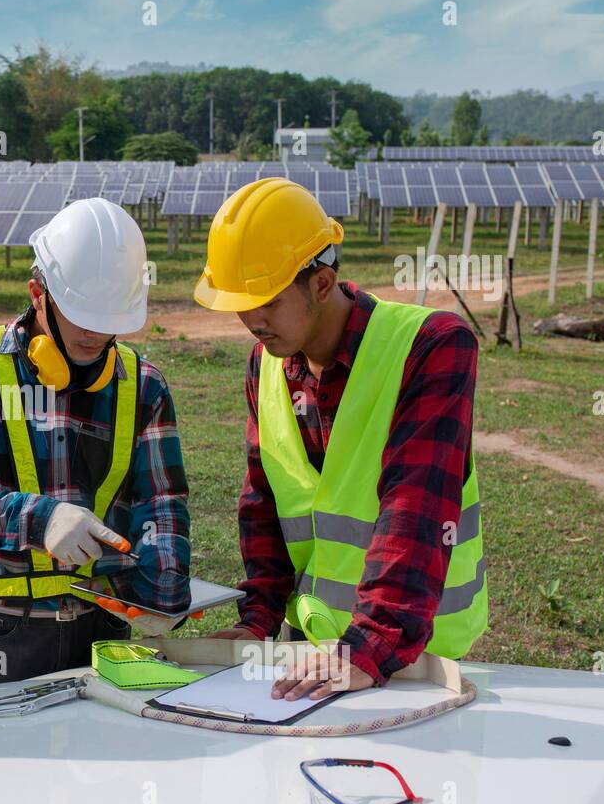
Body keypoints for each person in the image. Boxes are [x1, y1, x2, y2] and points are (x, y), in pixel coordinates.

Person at [193, 177, 486, 702]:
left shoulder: (433, 346)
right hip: (313, 656)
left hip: (415, 663)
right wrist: (258, 620)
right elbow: (264, 502)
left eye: (267, 301)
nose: (251, 321)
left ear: (322, 283)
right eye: (241, 302)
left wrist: (369, 644)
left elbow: (416, 503)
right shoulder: (266, 364)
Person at [0, 197, 191, 684]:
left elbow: (161, 501)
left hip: (104, 627)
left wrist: (163, 589)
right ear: (37, 293)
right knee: (4, 763)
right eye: (82, 314)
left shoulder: (142, 385)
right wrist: (39, 519)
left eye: (110, 319)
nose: (95, 332)